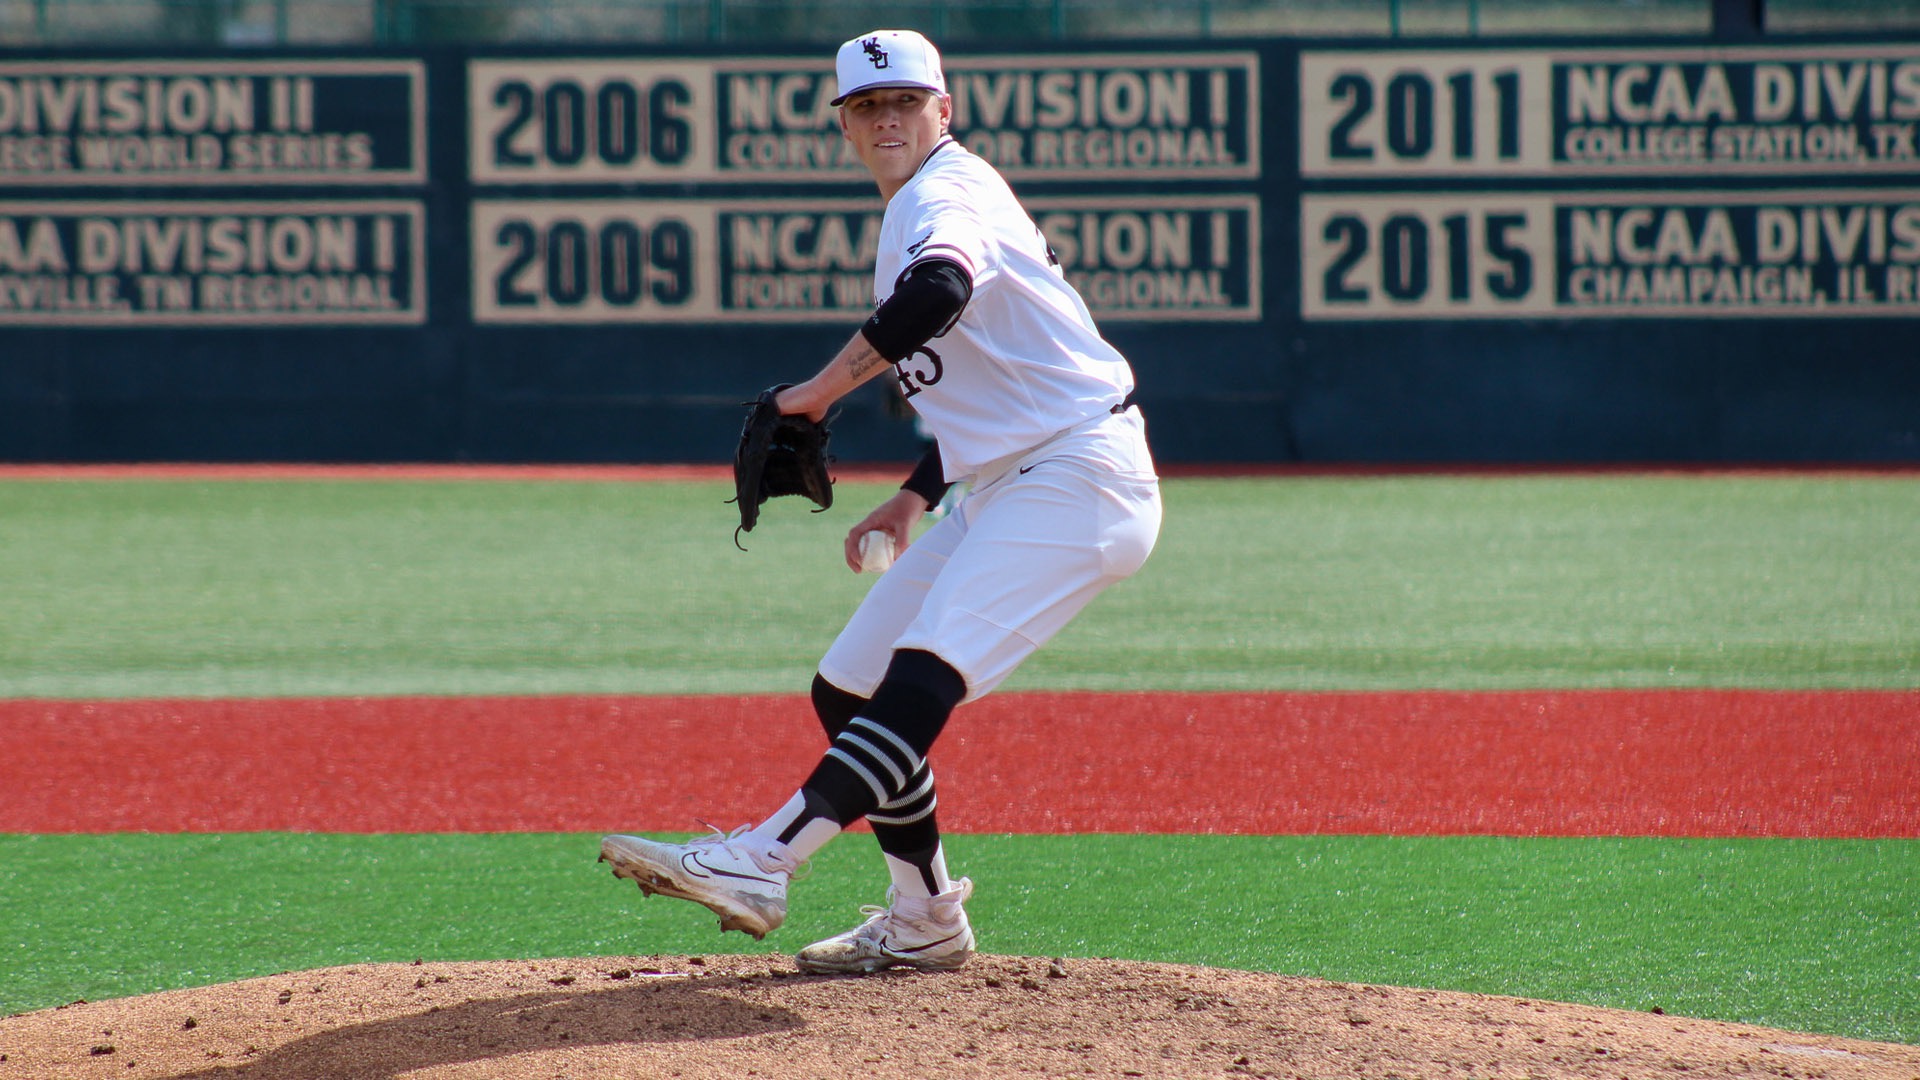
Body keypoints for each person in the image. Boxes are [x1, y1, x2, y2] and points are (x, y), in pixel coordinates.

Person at [600, 28, 1162, 975]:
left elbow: (939, 291)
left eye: (905, 101)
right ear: (845, 129)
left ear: (944, 110)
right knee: (848, 687)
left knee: (919, 677)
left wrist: (815, 392)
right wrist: (913, 497)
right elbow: (999, 381)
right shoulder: (915, 204)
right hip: (1006, 477)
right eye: (867, 107)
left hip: (1079, 476)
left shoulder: (947, 192)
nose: (887, 118)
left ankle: (763, 857)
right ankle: (926, 916)